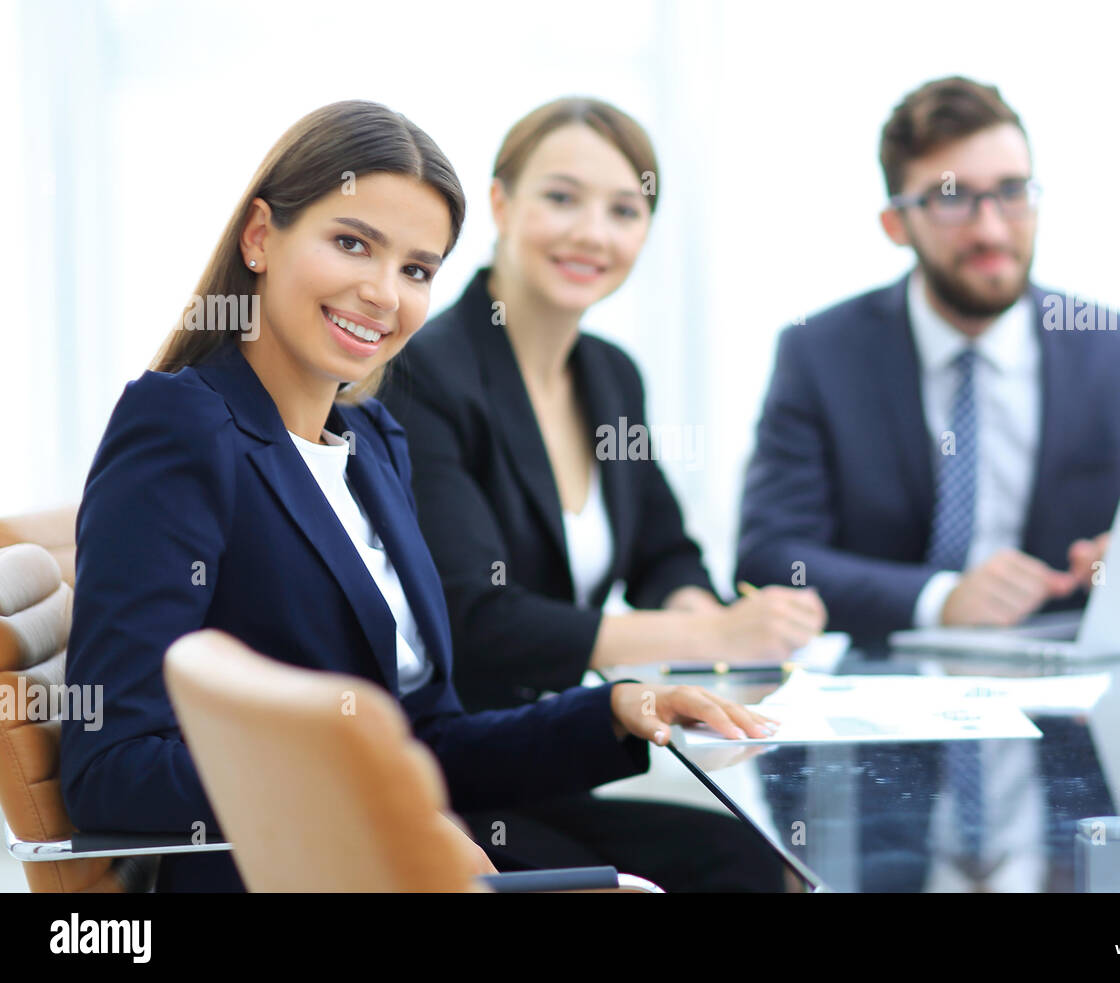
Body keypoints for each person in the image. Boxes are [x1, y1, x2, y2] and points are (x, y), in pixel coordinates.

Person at [61, 100, 773, 893]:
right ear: (259, 236)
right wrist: (373, 806)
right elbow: (111, 765)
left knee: (737, 863)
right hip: (291, 877)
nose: (382, 292)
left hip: (391, 862)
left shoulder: (372, 443)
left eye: (416, 270)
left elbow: (427, 738)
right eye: (351, 243)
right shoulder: (181, 428)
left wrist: (614, 710)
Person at [381, 97, 820, 891]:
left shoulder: (611, 375)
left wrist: (704, 617)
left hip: (544, 760)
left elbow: (662, 549)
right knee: (735, 868)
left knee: (762, 857)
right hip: (451, 777)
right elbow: (477, 619)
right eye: (561, 197)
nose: (593, 232)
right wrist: (717, 628)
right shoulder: (425, 373)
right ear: (500, 203)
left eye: (624, 209)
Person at [737, 76, 1120, 645]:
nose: (990, 229)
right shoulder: (820, 354)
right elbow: (771, 558)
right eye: (951, 198)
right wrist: (939, 599)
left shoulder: (1118, 351)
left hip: (1072, 670)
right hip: (885, 680)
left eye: (1012, 192)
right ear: (896, 224)